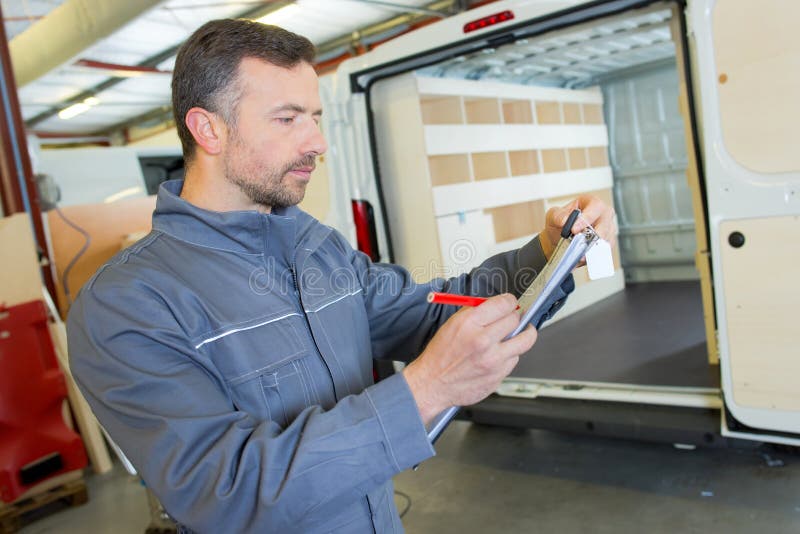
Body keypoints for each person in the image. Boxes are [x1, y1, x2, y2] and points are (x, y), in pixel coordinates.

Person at [67, 19, 616, 534]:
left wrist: (549, 250)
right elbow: (224, 489)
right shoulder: (126, 305)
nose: (317, 143)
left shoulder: (316, 249)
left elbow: (433, 310)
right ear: (207, 128)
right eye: (287, 119)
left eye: (315, 118)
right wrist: (424, 391)